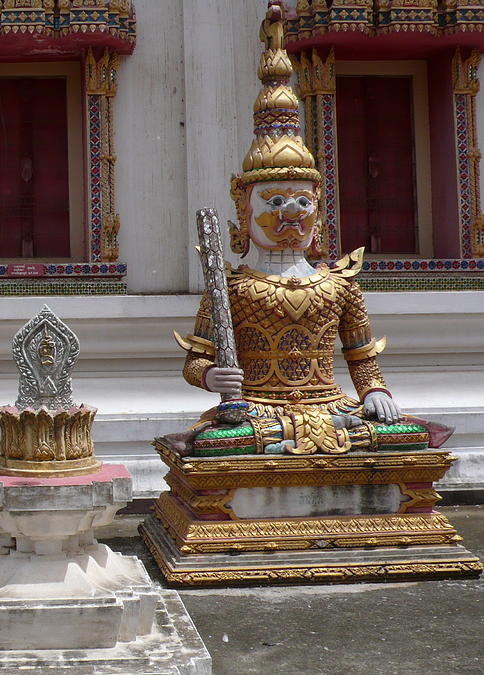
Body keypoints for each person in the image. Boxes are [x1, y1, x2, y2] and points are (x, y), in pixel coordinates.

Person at [176, 1, 445, 456]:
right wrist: (209, 376)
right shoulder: (231, 288)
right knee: (220, 443)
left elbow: (361, 357)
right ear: (244, 212)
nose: (291, 214)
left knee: (405, 435)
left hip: (332, 406)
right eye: (273, 201)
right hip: (257, 408)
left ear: (318, 214)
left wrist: (376, 392)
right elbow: (197, 358)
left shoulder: (339, 285)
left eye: (303, 201)